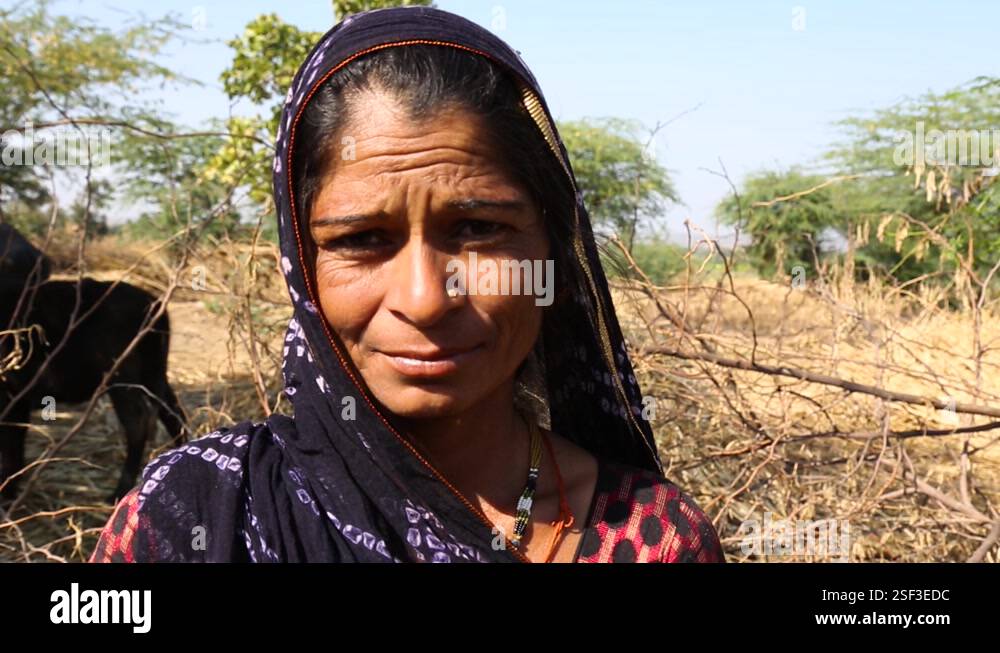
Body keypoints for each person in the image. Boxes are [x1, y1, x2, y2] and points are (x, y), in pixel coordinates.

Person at [90, 5, 724, 563]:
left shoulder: (652, 539)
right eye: (362, 240)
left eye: (477, 228)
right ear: (303, 268)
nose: (423, 299)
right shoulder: (191, 515)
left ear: (551, 256)